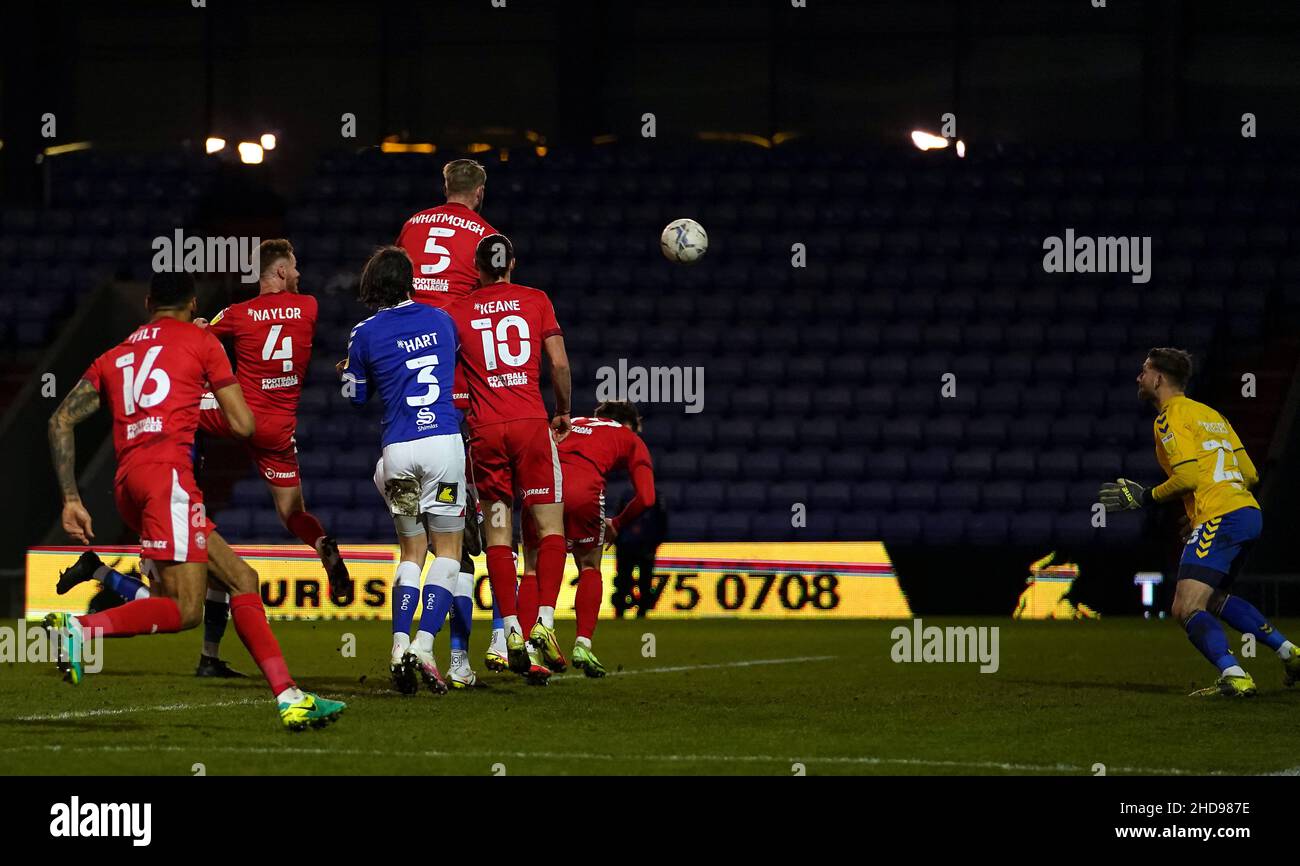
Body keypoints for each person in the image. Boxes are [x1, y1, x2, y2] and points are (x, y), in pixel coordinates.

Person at [45, 271, 344, 730]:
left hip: (129, 484)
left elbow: (60, 420)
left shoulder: (116, 354)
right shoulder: (200, 342)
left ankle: (290, 697)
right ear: (191, 304)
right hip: (169, 482)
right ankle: (81, 630)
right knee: (186, 610)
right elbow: (244, 425)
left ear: (147, 303)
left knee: (241, 577)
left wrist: (71, 499)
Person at [1099, 347, 1299, 697]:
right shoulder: (1211, 414)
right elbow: (1250, 473)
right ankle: (1290, 654)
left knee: (1185, 606)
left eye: (1144, 370)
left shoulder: (1169, 417)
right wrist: (1203, 511)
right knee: (1215, 597)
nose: (1139, 377)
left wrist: (1144, 497)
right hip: (1247, 512)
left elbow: (1188, 476)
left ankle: (1235, 675)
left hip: (1220, 515)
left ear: (1159, 378)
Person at [342, 246, 470, 693]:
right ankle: (423, 644)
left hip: (397, 450)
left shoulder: (364, 333)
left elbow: (355, 399)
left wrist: (356, 371)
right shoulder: (440, 320)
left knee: (411, 551)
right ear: (411, 279)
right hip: (442, 446)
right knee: (448, 551)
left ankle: (398, 645)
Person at [447, 233, 571, 684]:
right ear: (512, 262)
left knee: (499, 531)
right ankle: (544, 621)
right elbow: (557, 363)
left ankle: (510, 629)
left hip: (485, 433)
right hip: (529, 427)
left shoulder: (458, 309)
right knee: (550, 525)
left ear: (476, 267)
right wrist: (562, 411)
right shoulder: (536, 299)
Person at [396, 158, 499, 667]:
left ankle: (407, 646)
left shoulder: (413, 224)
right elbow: (489, 306)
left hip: (408, 377)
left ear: (444, 187)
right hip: (456, 377)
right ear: (478, 191)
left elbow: (395, 287)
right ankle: (460, 653)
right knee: (465, 529)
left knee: (416, 538)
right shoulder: (485, 236)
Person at [519, 401, 656, 677]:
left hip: (539, 484)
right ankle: (583, 643)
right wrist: (617, 524)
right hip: (583, 490)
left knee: (532, 569)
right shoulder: (628, 436)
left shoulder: (569, 422)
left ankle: (527, 648)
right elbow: (647, 497)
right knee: (589, 567)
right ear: (629, 424)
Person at [614, 482, 668, 618]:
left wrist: (654, 543)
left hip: (645, 546)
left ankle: (642, 612)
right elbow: (617, 520)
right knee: (623, 581)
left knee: (644, 582)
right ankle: (620, 611)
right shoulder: (626, 496)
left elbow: (662, 522)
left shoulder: (656, 496)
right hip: (627, 545)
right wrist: (618, 542)